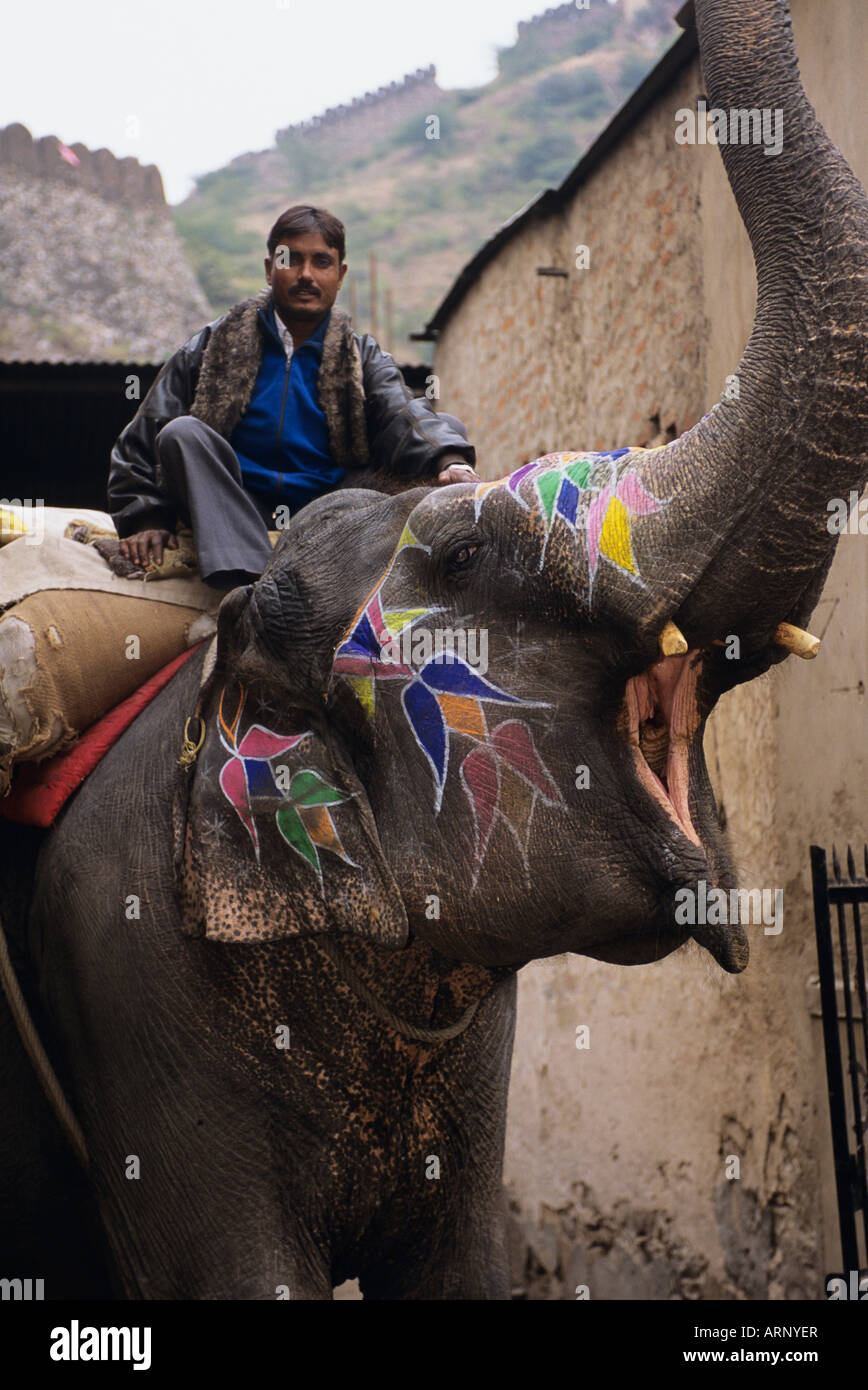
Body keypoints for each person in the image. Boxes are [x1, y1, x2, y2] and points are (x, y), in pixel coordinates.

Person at [107, 204, 478, 588]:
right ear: (269, 269)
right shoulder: (212, 345)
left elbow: (400, 413)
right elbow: (143, 436)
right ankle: (255, 582)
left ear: (340, 275)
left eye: (321, 262)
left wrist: (450, 459)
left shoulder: (361, 356)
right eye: (291, 260)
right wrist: (146, 517)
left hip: (329, 513)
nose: (305, 275)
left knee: (443, 431)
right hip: (233, 505)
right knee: (182, 433)